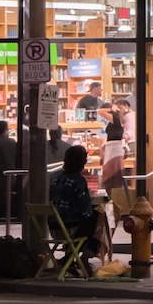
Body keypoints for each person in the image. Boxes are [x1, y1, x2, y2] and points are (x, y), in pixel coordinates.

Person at [48, 144, 102, 275]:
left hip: (53, 228)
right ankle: (86, 255)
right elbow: (85, 210)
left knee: (80, 221)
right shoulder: (78, 181)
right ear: (81, 163)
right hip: (70, 228)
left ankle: (69, 259)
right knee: (98, 220)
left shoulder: (56, 179)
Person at [101, 103, 127, 191]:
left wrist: (111, 109)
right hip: (117, 148)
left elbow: (99, 111)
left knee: (110, 172)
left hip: (113, 149)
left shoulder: (114, 118)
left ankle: (111, 193)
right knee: (116, 173)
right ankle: (116, 192)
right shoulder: (120, 119)